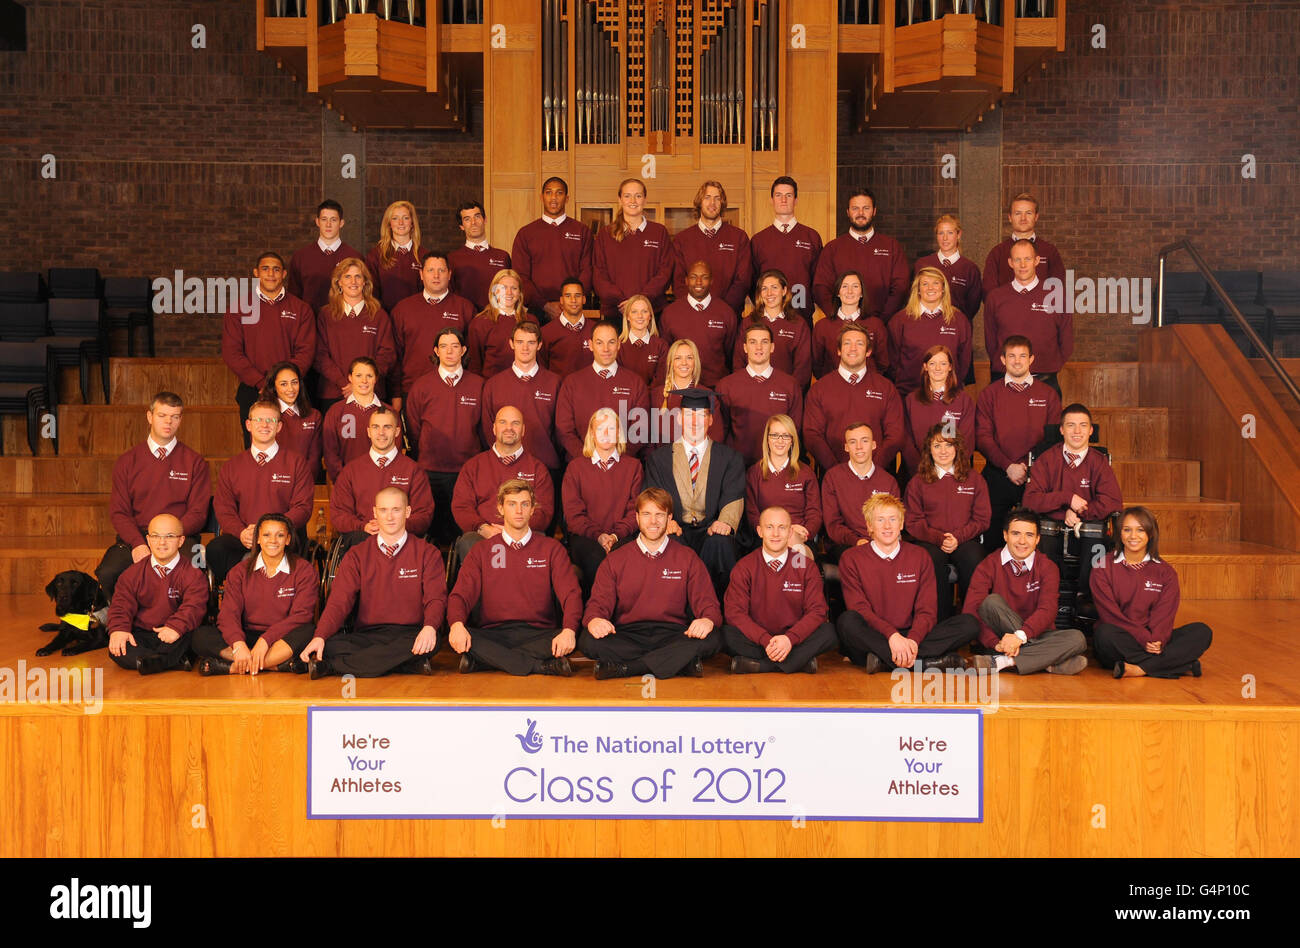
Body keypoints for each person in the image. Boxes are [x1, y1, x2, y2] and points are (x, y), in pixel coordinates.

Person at [579, 487, 723, 679]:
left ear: (669, 518)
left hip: (673, 634)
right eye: (646, 514)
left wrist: (707, 619)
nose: (653, 521)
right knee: (588, 640)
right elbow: (597, 604)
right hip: (628, 634)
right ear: (637, 518)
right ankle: (679, 664)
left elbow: (708, 604)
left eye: (659, 515)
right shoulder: (616, 559)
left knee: (714, 637)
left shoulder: (687, 557)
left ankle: (628, 668)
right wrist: (595, 619)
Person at [302, 487, 445, 678]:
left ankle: (333, 667)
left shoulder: (428, 553)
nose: (390, 517)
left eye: (396, 509)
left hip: (411, 634)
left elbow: (436, 598)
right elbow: (339, 601)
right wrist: (320, 636)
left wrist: (430, 627)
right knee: (329, 644)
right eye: (384, 510)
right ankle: (406, 663)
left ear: (408, 512)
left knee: (433, 642)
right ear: (375, 513)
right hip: (368, 635)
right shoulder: (357, 554)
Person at [447, 479, 583, 676]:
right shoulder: (482, 551)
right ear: (500, 508)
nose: (519, 511)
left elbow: (571, 594)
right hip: (493, 634)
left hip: (540, 633)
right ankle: (540, 666)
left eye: (525, 504)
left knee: (571, 636)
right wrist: (457, 624)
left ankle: (487, 661)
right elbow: (460, 595)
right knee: (465, 639)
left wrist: (569, 630)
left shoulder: (551, 548)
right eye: (512, 504)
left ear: (532, 509)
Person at [835, 494, 977, 673]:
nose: (887, 526)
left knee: (969, 623)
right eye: (880, 520)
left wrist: (913, 641)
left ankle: (885, 661)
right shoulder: (851, 558)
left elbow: (927, 610)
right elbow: (859, 608)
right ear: (869, 526)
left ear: (901, 524)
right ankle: (924, 664)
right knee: (847, 622)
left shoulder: (920, 556)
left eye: (893, 519)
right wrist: (892, 636)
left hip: (913, 635)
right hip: (877, 635)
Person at [97, 392, 211, 600]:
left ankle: (183, 624)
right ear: (149, 417)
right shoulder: (127, 461)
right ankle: (121, 620)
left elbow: (198, 512)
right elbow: (119, 512)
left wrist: (169, 538)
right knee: (107, 573)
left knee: (195, 572)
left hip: (181, 538)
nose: (168, 422)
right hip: (137, 537)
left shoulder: (195, 462)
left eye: (175, 416)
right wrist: (139, 543)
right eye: (162, 415)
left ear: (180, 420)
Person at [643, 389, 746, 599]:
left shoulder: (729, 458)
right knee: (668, 542)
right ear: (679, 418)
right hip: (676, 528)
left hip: (711, 528)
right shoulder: (660, 458)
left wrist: (725, 521)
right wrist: (664, 522)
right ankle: (678, 614)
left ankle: (724, 612)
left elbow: (734, 495)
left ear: (710, 420)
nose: (694, 421)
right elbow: (653, 497)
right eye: (689, 414)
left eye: (701, 416)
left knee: (720, 542)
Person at [1023, 403, 1124, 615]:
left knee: (1098, 538)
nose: (1077, 431)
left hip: (1087, 530)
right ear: (1061, 430)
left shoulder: (1099, 462)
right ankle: (1048, 599)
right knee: (1043, 535)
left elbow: (1113, 502)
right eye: (1070, 425)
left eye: (1082, 425)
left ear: (1091, 430)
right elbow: (1030, 501)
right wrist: (1066, 500)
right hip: (1052, 530)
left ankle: (1086, 599)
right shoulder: (1047, 459)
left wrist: (1080, 512)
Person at [1091, 507, 1212, 680]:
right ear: (1119, 533)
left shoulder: (1166, 572)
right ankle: (1179, 664)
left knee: (1202, 631)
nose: (1133, 536)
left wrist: (1158, 639)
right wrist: (1144, 639)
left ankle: (1138, 669)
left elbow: (1165, 614)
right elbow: (1110, 615)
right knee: (1104, 634)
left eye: (1140, 530)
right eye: (1127, 530)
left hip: (1153, 641)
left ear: (1151, 533)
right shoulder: (1102, 567)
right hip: (1121, 638)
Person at [964, 508, 1088, 675]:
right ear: (1005, 535)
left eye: (1029, 535)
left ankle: (1005, 661)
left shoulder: (1047, 567)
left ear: (1037, 539)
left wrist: (1020, 637)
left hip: (1036, 633)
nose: (1022, 541)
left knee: (1077, 638)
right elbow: (971, 611)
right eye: (1016, 534)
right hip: (1002, 635)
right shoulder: (988, 564)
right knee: (991, 602)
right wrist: (995, 643)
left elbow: (1048, 609)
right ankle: (1046, 660)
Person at [194, 513, 318, 676]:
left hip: (282, 637)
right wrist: (238, 644)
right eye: (266, 535)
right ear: (257, 538)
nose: (273, 540)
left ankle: (235, 666)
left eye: (279, 535)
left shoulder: (304, 570)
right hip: (246, 636)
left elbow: (301, 616)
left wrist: (266, 640)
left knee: (308, 631)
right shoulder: (239, 572)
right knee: (200, 636)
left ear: (288, 539)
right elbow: (228, 615)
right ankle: (275, 665)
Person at [206, 400, 314, 586]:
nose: (264, 425)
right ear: (248, 425)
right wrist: (241, 532)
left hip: (284, 538)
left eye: (271, 420)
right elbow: (224, 509)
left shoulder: (296, 463)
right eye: (259, 420)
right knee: (216, 549)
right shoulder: (232, 466)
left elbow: (303, 508)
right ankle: (241, 595)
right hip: (245, 537)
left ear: (279, 426)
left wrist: (272, 531)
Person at [975, 336, 1062, 552]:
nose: (1017, 361)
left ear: (1031, 359)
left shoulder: (1048, 395)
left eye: (1022, 356)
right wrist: (1008, 466)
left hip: (1036, 476)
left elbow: (1052, 439)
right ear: (1003, 360)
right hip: (999, 473)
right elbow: (983, 437)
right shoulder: (989, 394)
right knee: (992, 538)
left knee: (1039, 537)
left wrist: (1027, 466)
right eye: (1011, 356)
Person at [724, 507, 835, 674]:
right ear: (760, 531)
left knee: (828, 633)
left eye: (781, 527)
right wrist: (765, 640)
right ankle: (799, 662)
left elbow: (817, 611)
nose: (775, 534)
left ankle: (761, 666)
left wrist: (789, 639)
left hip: (794, 639)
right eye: (769, 527)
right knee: (726, 634)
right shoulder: (745, 566)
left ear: (790, 532)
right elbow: (735, 613)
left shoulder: (804, 564)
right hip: (757, 639)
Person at [222, 251, 316, 446]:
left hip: (292, 392)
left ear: (284, 274)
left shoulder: (301, 309)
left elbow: (306, 351)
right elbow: (232, 352)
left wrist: (284, 384)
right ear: (256, 272)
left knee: (295, 448)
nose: (271, 274)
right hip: (254, 390)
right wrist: (261, 383)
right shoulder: (239, 308)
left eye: (276, 269)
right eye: (265, 269)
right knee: (256, 449)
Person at [403, 327, 484, 546]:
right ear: (436, 351)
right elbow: (413, 427)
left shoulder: (479, 385)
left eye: (455, 346)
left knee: (464, 533)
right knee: (435, 534)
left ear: (463, 350)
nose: (449, 351)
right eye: (444, 346)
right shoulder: (421, 386)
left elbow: (484, 428)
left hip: (467, 471)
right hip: (431, 471)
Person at [904, 425, 990, 620]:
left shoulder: (974, 479)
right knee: (930, 560)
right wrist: (939, 538)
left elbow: (982, 519)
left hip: (965, 539)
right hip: (930, 540)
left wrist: (957, 538)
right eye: (937, 445)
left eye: (949, 445)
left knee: (974, 559)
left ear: (957, 448)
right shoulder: (917, 482)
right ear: (929, 450)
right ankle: (941, 624)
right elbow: (913, 521)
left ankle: (973, 624)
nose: (943, 451)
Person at [451, 405, 554, 564]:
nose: (509, 428)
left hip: (525, 536)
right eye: (503, 422)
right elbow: (461, 507)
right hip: (483, 536)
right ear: (494, 428)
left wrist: (511, 531)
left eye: (515, 423)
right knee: (468, 542)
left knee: (543, 544)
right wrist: (483, 528)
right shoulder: (473, 466)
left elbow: (544, 513)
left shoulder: (538, 469)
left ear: (523, 430)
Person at [106, 513, 207, 675]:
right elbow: (121, 605)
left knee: (194, 638)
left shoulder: (193, 574)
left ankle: (150, 662)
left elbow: (194, 606)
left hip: (176, 634)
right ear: (148, 540)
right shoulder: (132, 573)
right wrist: (119, 629)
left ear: (181, 541)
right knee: (117, 648)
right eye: (156, 536)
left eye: (169, 536)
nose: (162, 542)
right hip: (143, 633)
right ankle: (171, 661)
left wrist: (176, 627)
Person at [562, 408, 643, 597]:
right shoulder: (576, 468)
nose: (606, 435)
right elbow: (574, 516)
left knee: (623, 559)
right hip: (586, 537)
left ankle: (622, 617)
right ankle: (595, 615)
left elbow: (635, 511)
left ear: (619, 433)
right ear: (591, 434)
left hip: (623, 536)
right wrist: (599, 536)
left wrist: (614, 536)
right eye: (600, 429)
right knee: (595, 558)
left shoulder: (633, 467)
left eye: (611, 429)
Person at [803, 323, 904, 472]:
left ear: (868, 351)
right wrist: (837, 472)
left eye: (860, 343)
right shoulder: (819, 389)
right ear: (838, 350)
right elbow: (812, 435)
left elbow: (895, 436)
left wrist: (871, 470)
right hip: (832, 476)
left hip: (878, 476)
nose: (853, 348)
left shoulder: (886, 388)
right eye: (847, 343)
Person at [330, 407, 434, 548]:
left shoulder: (414, 471)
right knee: (359, 540)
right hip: (362, 540)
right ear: (368, 432)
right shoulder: (351, 470)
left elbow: (423, 516)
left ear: (397, 431)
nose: (381, 433)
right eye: (375, 427)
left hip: (403, 542)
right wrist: (364, 526)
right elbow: (339, 514)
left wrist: (394, 526)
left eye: (387, 427)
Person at [387, 250, 475, 411]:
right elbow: (394, 356)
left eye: (441, 271)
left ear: (449, 274)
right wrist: (396, 394)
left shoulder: (465, 308)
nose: (436, 276)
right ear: (421, 274)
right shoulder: (402, 310)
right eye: (430, 270)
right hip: (412, 390)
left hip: (455, 389)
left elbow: (472, 355)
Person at [982, 238, 1072, 392]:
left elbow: (1067, 341)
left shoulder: (1057, 296)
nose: (1022, 265)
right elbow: (991, 342)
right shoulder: (995, 298)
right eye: (1017, 259)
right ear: (1010, 262)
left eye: (1027, 259)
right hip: (1005, 379)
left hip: (1045, 380)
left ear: (1037, 260)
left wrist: (1048, 365)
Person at [555, 321, 650, 462]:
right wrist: (589, 459)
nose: (606, 349)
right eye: (599, 343)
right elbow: (564, 430)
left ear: (618, 344)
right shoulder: (572, 383)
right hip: (582, 465)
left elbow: (639, 430)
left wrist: (615, 459)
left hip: (622, 466)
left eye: (611, 342)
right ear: (591, 345)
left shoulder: (635, 383)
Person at [812, 188, 910, 322]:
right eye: (855, 208)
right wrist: (839, 318)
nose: (860, 213)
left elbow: (901, 287)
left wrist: (880, 321)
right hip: (842, 326)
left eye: (866, 208)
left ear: (874, 211)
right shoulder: (833, 248)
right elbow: (821, 288)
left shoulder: (892, 247)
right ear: (848, 212)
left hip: (882, 325)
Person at [480, 319, 562, 476]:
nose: (525, 348)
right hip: (503, 468)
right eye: (520, 342)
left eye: (531, 342)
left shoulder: (555, 383)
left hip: (546, 467)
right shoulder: (493, 385)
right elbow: (487, 428)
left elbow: (560, 429)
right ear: (511, 344)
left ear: (539, 345)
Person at [312, 257, 396, 409]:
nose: (353, 281)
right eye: (347, 276)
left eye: (358, 276)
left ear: (365, 282)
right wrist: (344, 383)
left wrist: (363, 382)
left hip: (371, 393)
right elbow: (320, 355)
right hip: (334, 393)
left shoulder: (379, 315)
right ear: (339, 282)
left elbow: (387, 355)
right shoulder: (325, 314)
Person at [716, 321, 803, 466]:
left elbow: (794, 430)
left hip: (777, 466)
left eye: (764, 342)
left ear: (772, 347)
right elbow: (721, 432)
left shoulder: (790, 385)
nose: (759, 347)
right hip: (737, 467)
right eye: (752, 342)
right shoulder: (726, 386)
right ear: (744, 347)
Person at [593, 177, 674, 326]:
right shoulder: (605, 234)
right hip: (616, 313)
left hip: (650, 313)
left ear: (645, 200)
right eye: (627, 196)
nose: (633, 201)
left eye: (638, 196)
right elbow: (599, 275)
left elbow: (665, 272)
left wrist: (640, 302)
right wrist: (623, 301)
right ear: (620, 200)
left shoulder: (659, 232)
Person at [511, 177, 595, 318]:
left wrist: (570, 301)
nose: (553, 198)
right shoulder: (526, 233)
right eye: (549, 192)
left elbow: (588, 270)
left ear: (567, 198)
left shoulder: (582, 231)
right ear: (541, 197)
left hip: (573, 309)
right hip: (537, 311)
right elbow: (520, 276)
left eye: (559, 193)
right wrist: (544, 305)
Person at [744, 414, 820, 560]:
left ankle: (797, 580)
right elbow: (752, 513)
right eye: (775, 435)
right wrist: (774, 532)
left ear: (792, 440)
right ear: (767, 439)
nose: (780, 441)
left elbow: (814, 511)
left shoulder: (805, 473)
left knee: (795, 547)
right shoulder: (754, 473)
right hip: (766, 538)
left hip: (799, 537)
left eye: (786, 436)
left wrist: (805, 532)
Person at [670, 180, 753, 313]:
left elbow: (743, 280)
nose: (712, 203)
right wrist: (695, 308)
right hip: (692, 315)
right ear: (700, 202)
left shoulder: (739, 237)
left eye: (717, 198)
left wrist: (722, 309)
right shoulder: (682, 239)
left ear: (722, 203)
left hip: (729, 314)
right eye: (707, 198)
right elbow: (678, 281)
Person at [888, 267, 972, 396]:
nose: (930, 288)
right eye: (925, 284)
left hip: (948, 395)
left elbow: (964, 360)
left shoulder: (959, 320)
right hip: (909, 394)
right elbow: (892, 361)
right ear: (918, 290)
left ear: (943, 288)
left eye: (936, 283)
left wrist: (952, 385)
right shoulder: (900, 320)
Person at [821, 422, 900, 558]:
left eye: (864, 440)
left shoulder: (889, 481)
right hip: (846, 545)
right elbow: (833, 524)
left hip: (882, 542)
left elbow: (895, 521)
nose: (859, 447)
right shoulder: (833, 478)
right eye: (853, 442)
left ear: (874, 445)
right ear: (846, 447)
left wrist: (881, 542)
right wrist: (857, 541)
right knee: (861, 559)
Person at [749, 175, 822, 322]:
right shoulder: (758, 240)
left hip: (801, 316)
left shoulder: (811, 237)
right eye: (778, 195)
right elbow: (752, 282)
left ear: (795, 200)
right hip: (768, 319)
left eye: (788, 195)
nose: (783, 200)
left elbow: (819, 280)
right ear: (771, 200)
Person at [657, 259, 738, 387]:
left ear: (712, 281)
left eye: (704, 277)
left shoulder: (726, 313)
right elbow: (666, 355)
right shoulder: (670, 313)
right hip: (681, 387)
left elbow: (730, 353)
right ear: (686, 281)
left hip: (715, 387)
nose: (698, 282)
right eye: (693, 277)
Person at [901, 345, 975, 476]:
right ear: (925, 367)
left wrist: (948, 470)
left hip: (952, 473)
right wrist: (923, 469)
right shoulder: (911, 400)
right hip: (918, 472)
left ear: (950, 367)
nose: (938, 368)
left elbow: (967, 441)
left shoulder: (964, 401)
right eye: (932, 363)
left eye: (943, 363)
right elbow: (906, 440)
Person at [733, 269, 812, 390]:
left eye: (774, 287)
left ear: (784, 291)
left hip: (784, 394)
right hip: (751, 391)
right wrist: (747, 388)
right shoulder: (748, 322)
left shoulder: (798, 324)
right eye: (764, 288)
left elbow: (803, 368)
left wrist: (788, 392)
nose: (769, 293)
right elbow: (739, 361)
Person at [322, 357, 397, 482]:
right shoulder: (335, 411)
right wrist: (344, 480)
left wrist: (382, 478)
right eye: (358, 375)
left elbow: (394, 450)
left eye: (369, 375)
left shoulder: (389, 413)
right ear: (350, 378)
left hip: (381, 482)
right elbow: (330, 452)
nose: (364, 381)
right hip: (346, 482)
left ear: (376, 378)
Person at [981, 193, 1065, 298]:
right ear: (1010, 217)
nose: (1023, 218)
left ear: (1036, 217)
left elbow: (1058, 288)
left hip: (1041, 311)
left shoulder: (1050, 251)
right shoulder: (998, 252)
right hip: (1007, 312)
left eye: (1028, 213)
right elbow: (989, 291)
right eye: (1018, 213)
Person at [287, 199, 361, 313]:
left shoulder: (355, 257)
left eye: (333, 220)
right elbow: (293, 298)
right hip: (309, 323)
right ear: (317, 222)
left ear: (341, 223)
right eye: (324, 219)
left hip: (343, 324)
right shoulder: (301, 257)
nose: (328, 224)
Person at [811, 270, 888, 378]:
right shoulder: (822, 326)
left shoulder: (876, 325)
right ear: (838, 292)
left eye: (855, 286)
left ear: (862, 293)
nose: (850, 291)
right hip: (832, 388)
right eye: (845, 286)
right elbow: (817, 364)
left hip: (867, 387)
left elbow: (882, 363)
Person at [913, 214, 982, 334]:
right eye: (941, 233)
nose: (945, 238)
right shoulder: (922, 264)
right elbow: (914, 297)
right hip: (924, 327)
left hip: (957, 329)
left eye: (950, 233)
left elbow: (972, 306)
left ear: (958, 235)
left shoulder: (970, 269)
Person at [466, 268, 537, 378]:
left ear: (520, 293)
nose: (508, 293)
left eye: (514, 288)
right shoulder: (479, 323)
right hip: (492, 388)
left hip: (526, 386)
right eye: (503, 288)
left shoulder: (531, 321)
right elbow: (474, 366)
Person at [655, 339, 725, 444]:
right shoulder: (656, 395)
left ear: (695, 362)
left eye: (689, 358)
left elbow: (716, 437)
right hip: (663, 458)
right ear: (670, 363)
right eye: (678, 358)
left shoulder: (708, 396)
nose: (684, 363)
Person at [262, 361, 323, 481]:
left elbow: (314, 457)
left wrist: (302, 481)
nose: (291, 389)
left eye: (294, 382)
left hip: (304, 482)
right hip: (272, 482)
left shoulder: (314, 416)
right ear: (274, 386)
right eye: (284, 384)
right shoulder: (264, 414)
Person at [448, 200, 512, 311]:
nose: (473, 222)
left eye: (477, 217)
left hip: (497, 318)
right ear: (461, 226)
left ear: (485, 220)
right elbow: (450, 296)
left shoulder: (503, 256)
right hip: (465, 320)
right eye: (467, 219)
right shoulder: (452, 259)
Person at [364, 200, 427, 309]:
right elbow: (370, 294)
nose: (401, 223)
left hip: (416, 319)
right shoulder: (375, 255)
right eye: (395, 218)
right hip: (386, 319)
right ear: (389, 223)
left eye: (405, 218)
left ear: (412, 223)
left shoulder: (424, 255)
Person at [538, 277, 596, 377]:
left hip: (590, 390)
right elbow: (542, 369)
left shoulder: (596, 330)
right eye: (568, 296)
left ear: (584, 299)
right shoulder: (545, 333)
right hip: (559, 390)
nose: (573, 300)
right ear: (561, 300)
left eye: (577, 296)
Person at [616, 293, 669, 386]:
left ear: (650, 316)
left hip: (653, 398)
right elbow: (618, 381)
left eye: (644, 311)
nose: (640, 316)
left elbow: (661, 381)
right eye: (634, 312)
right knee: (621, 401)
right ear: (627, 316)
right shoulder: (617, 346)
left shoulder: (661, 346)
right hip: (624, 398)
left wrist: (644, 398)